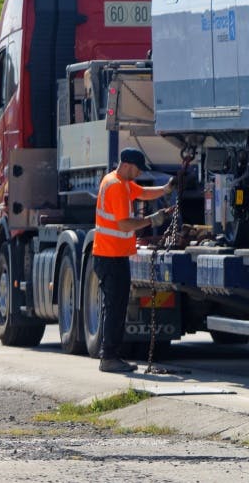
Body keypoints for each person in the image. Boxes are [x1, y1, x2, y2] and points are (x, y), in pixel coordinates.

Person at [93, 147, 174, 373]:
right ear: (127, 164)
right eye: (138, 169)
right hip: (110, 256)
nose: (139, 174)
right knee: (115, 308)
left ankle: (110, 356)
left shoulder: (121, 182)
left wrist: (166, 189)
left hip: (112, 255)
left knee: (115, 307)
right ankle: (109, 358)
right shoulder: (117, 187)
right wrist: (151, 219)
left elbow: (144, 193)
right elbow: (124, 224)